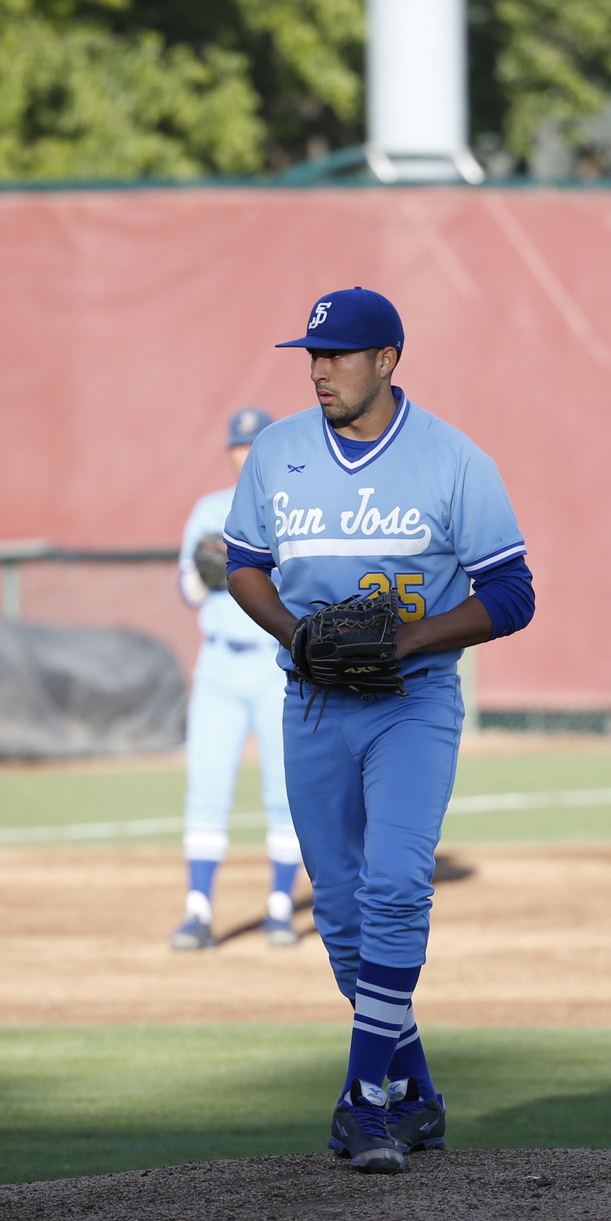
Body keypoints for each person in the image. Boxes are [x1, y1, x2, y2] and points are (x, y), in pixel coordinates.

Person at [222, 288, 536, 1172]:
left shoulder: (453, 461)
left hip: (413, 698)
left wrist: (412, 637)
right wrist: (299, 636)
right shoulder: (279, 452)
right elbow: (245, 566)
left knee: (397, 885)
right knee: (345, 920)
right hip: (314, 701)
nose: (319, 370)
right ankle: (420, 1097)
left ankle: (365, 1102)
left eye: (338, 355)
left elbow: (512, 595)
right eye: (311, 356)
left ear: (388, 361)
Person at [170, 408, 305, 950]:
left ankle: (279, 909)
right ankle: (198, 911)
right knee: (206, 787)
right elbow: (187, 588)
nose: (244, 454)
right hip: (219, 666)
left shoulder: (293, 510)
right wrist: (204, 576)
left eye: (254, 445)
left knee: (283, 790)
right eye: (238, 445)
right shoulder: (209, 509)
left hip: (274, 665)